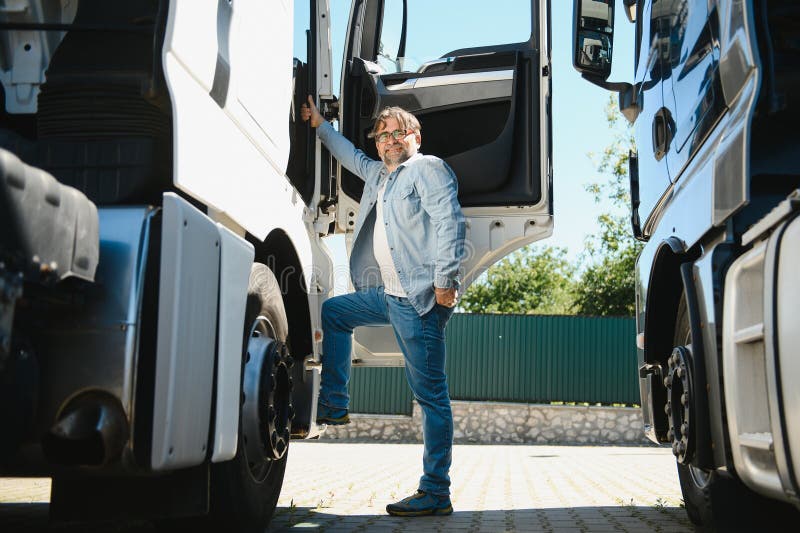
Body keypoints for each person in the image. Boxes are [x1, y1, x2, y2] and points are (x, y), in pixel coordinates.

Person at [301, 96, 465, 517]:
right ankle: (335, 404)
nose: (391, 140)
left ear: (415, 137)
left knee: (431, 397)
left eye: (399, 132)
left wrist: (446, 281)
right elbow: (348, 154)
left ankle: (435, 491)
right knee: (335, 313)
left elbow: (450, 221)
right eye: (383, 134)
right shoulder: (378, 174)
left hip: (418, 298)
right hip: (388, 295)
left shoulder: (426, 169)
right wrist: (320, 124)